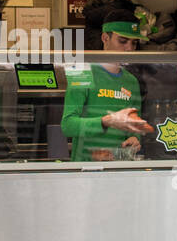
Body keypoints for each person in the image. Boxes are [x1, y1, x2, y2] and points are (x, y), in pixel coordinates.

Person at [60, 8, 151, 161]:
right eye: (122, 41)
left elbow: (134, 126)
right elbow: (68, 125)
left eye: (134, 43)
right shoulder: (82, 71)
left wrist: (135, 139)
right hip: (85, 169)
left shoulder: (131, 81)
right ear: (104, 38)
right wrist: (106, 121)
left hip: (118, 170)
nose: (129, 48)